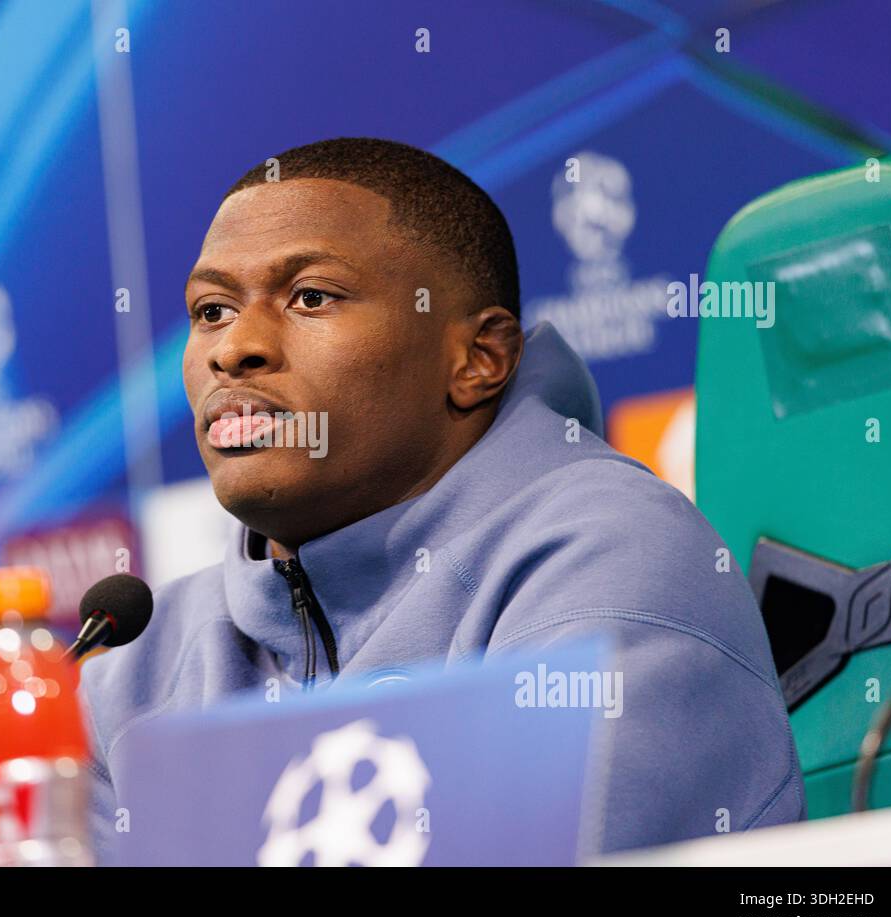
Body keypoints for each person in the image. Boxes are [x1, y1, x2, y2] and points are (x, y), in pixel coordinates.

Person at [80, 137, 804, 862]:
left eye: (310, 297)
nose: (233, 348)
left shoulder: (614, 557)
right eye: (211, 310)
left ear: (478, 359)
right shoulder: (135, 664)